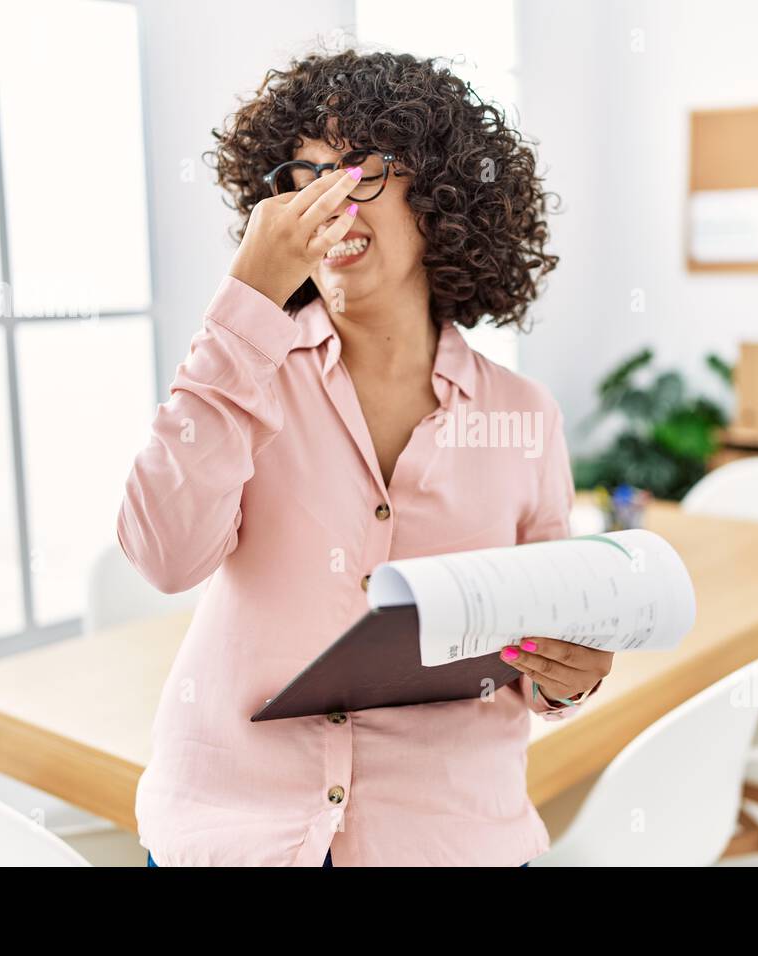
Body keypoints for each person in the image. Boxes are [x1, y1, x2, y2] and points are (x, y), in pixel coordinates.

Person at [119, 49, 610, 867]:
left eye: (359, 173)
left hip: (448, 839)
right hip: (236, 832)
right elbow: (164, 558)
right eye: (304, 177)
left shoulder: (525, 418)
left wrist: (568, 673)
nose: (327, 202)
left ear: (445, 201)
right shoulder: (243, 374)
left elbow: (542, 646)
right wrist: (246, 302)